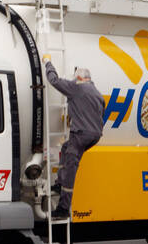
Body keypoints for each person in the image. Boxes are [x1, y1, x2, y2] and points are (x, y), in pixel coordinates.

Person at [42, 58, 104, 219]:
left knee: (71, 166)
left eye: (76, 78)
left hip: (81, 134)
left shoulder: (77, 88)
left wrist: (48, 63)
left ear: (81, 79)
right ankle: (59, 183)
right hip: (94, 136)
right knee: (66, 148)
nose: (74, 80)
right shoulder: (97, 93)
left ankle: (63, 208)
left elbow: (53, 80)